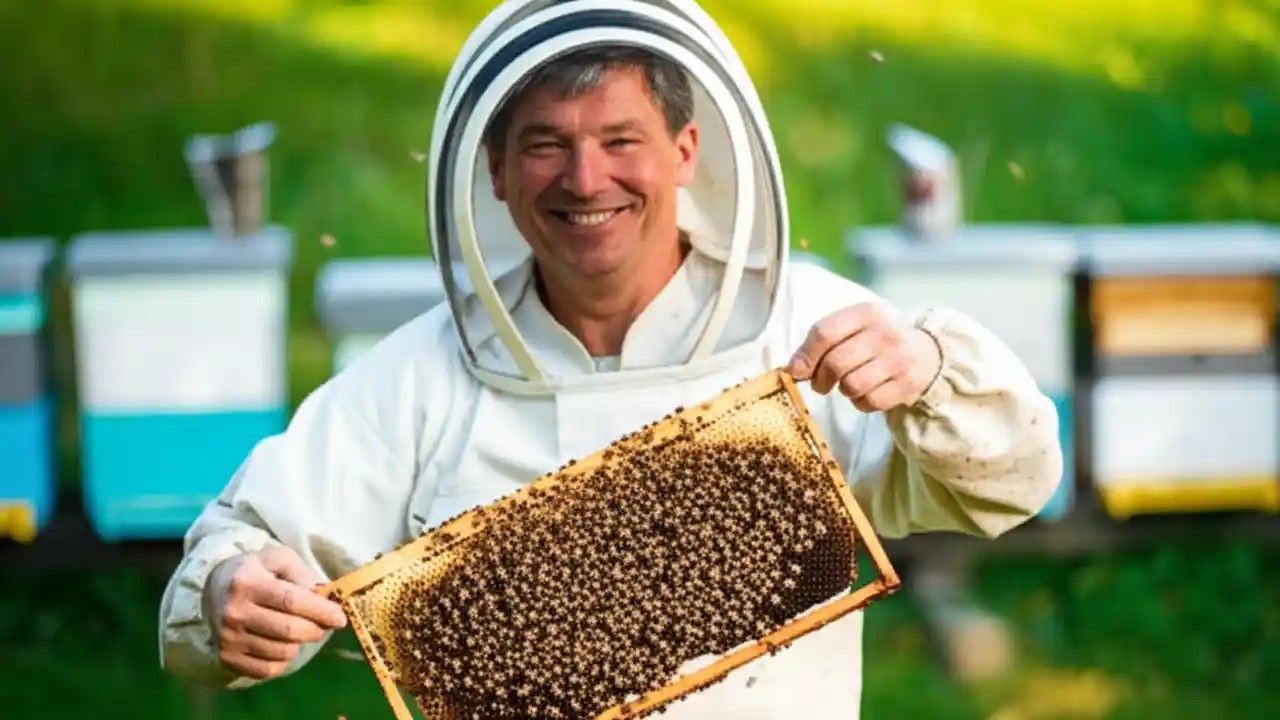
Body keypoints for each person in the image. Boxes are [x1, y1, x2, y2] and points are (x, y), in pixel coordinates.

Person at [158, 1, 1064, 716]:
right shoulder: (419, 378)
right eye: (547, 144)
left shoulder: (809, 330)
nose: (586, 180)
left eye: (620, 140)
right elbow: (238, 554)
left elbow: (1012, 483)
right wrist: (230, 591)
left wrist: (935, 371)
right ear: (498, 173)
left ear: (685, 152)